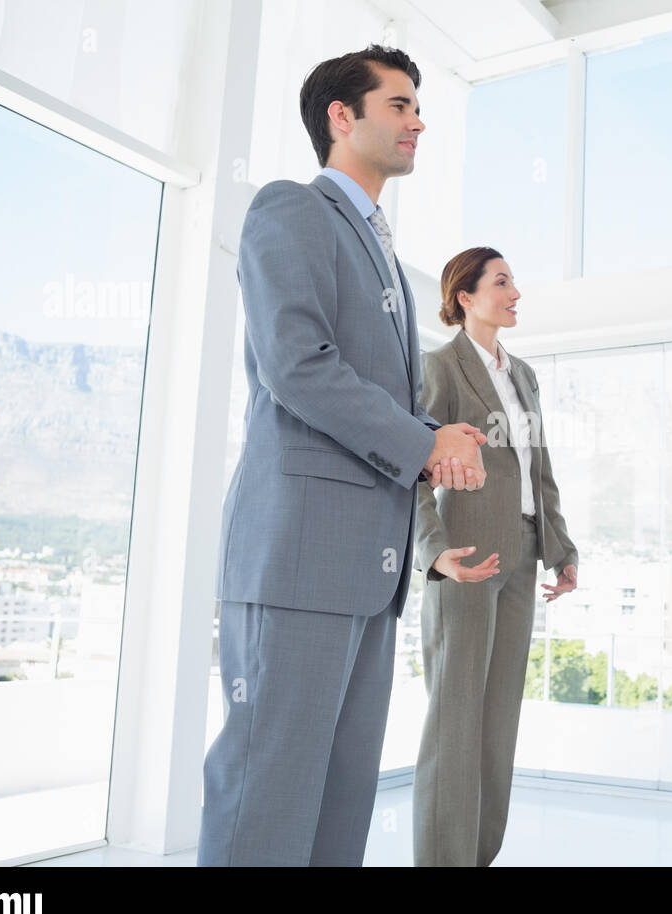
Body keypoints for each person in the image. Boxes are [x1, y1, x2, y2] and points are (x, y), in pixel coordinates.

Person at [198, 44, 489, 867]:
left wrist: (436, 439)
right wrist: (420, 439)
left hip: (371, 568)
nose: (418, 120)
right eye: (399, 104)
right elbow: (297, 363)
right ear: (341, 117)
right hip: (299, 555)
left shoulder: (388, 257)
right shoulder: (289, 209)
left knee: (341, 795)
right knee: (270, 787)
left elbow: (380, 397)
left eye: (417, 106)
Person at [411, 247, 579, 867]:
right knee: (454, 722)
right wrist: (435, 555)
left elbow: (541, 469)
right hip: (466, 558)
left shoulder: (524, 374)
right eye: (502, 282)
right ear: (465, 296)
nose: (515, 293)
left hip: (523, 555)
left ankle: (478, 856)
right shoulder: (440, 367)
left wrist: (561, 548)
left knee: (497, 718)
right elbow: (413, 473)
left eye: (514, 281)